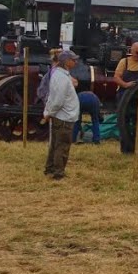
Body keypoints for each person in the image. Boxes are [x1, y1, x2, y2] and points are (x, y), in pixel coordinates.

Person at [42, 50, 80, 180]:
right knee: (62, 145)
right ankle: (58, 173)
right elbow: (57, 100)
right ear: (66, 62)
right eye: (73, 60)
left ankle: (50, 168)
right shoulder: (61, 78)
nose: (75, 62)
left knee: (55, 144)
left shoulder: (61, 75)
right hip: (64, 117)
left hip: (62, 116)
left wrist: (48, 112)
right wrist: (49, 113)